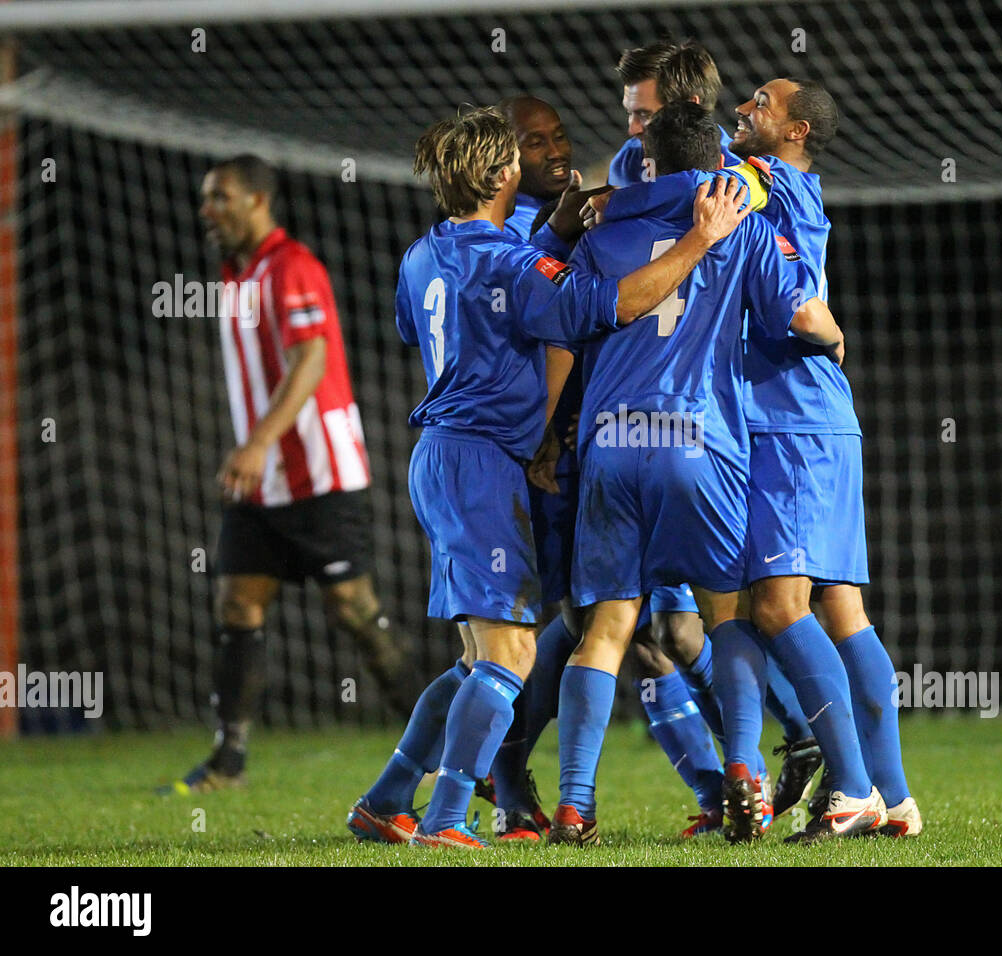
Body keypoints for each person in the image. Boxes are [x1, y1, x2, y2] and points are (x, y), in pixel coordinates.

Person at [344, 106, 750, 849]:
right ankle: (445, 819)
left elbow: (419, 324)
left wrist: (554, 233)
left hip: (439, 454)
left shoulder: (422, 255)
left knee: (478, 658)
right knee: (511, 655)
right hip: (484, 461)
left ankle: (387, 798)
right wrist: (701, 238)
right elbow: (615, 303)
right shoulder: (514, 263)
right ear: (504, 174)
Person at [548, 102, 858, 846]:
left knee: (610, 626)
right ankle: (745, 767)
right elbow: (799, 316)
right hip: (700, 441)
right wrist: (835, 338)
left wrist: (546, 438)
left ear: (645, 160)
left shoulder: (603, 229)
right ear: (713, 158)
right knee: (728, 616)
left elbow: (565, 322)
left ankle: (574, 805)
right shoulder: (742, 225)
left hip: (613, 442)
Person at [161, 154, 419, 795]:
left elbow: (311, 360)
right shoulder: (233, 274)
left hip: (322, 473)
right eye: (206, 197)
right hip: (262, 478)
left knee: (354, 611)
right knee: (238, 603)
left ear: (257, 200)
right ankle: (228, 763)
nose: (208, 209)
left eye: (219, 196)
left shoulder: (292, 266)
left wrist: (255, 443)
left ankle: (438, 743)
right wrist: (256, 453)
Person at [728, 77, 921, 839]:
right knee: (842, 608)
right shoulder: (779, 182)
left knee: (777, 606)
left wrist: (823, 324)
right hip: (813, 426)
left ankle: (851, 788)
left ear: (797, 130)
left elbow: (799, 302)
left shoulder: (775, 187)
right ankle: (895, 795)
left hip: (791, 426)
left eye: (761, 103)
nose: (744, 108)